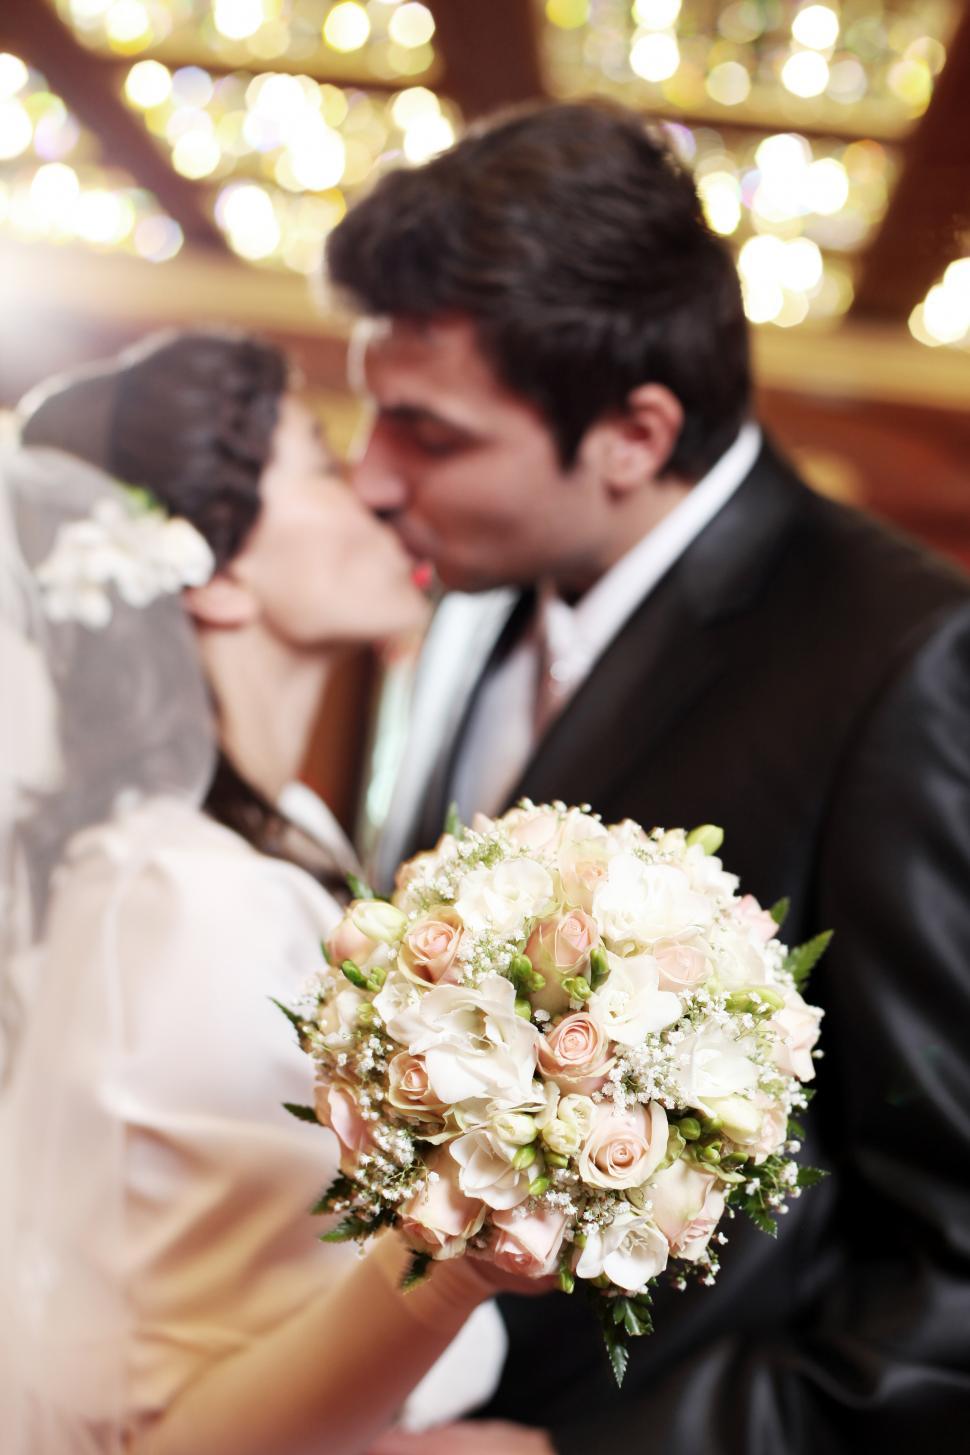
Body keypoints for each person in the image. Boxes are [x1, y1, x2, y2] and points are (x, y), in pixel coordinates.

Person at [324, 101, 970, 1453]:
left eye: (426, 433)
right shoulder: (474, 589)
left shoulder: (900, 654)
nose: (372, 477)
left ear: (632, 430)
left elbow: (951, 1248)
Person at [0, 329, 508, 1454]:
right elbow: (175, 1410)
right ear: (218, 576)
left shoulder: (270, 843)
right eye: (323, 467)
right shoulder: (186, 902)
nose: (377, 492)